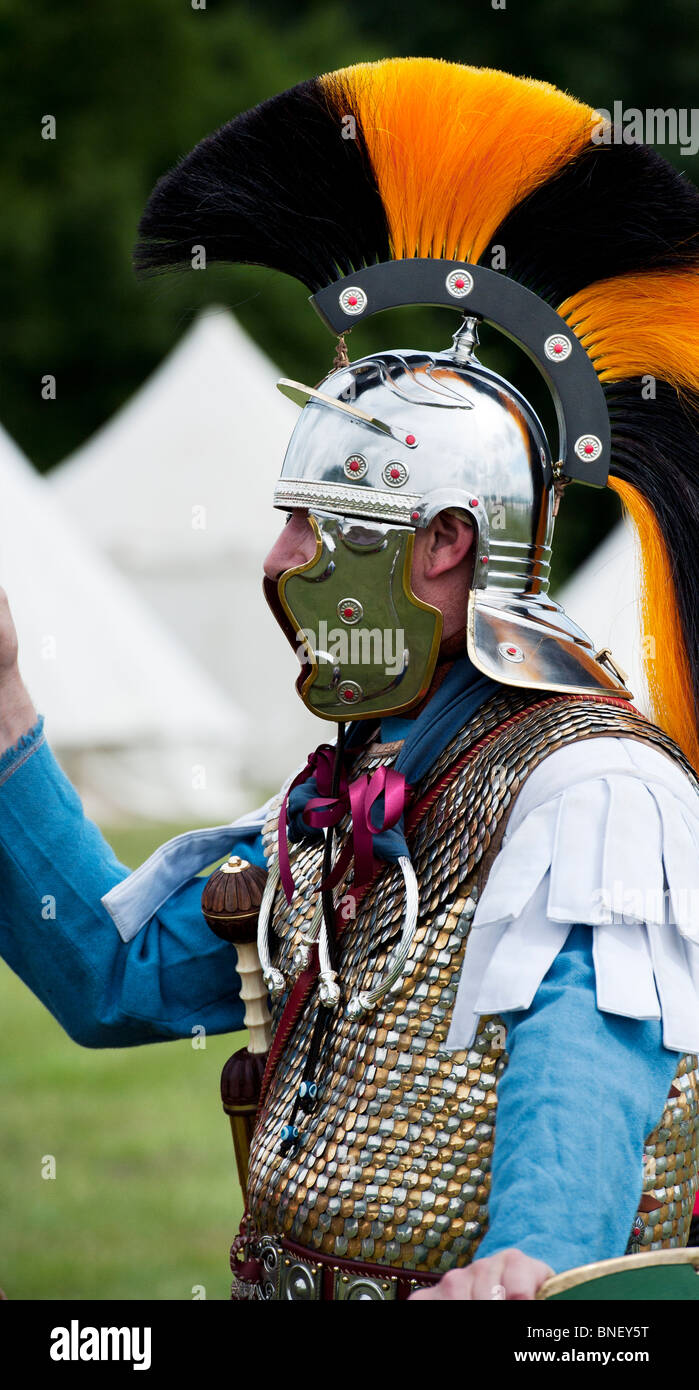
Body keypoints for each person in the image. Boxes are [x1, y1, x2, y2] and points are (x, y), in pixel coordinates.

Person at [2, 57, 699, 1302]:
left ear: (446, 541)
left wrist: (532, 1257)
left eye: (321, 525)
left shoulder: (596, 789)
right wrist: (3, 706)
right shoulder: (368, 783)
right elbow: (106, 979)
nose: (279, 564)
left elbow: (587, 1064)